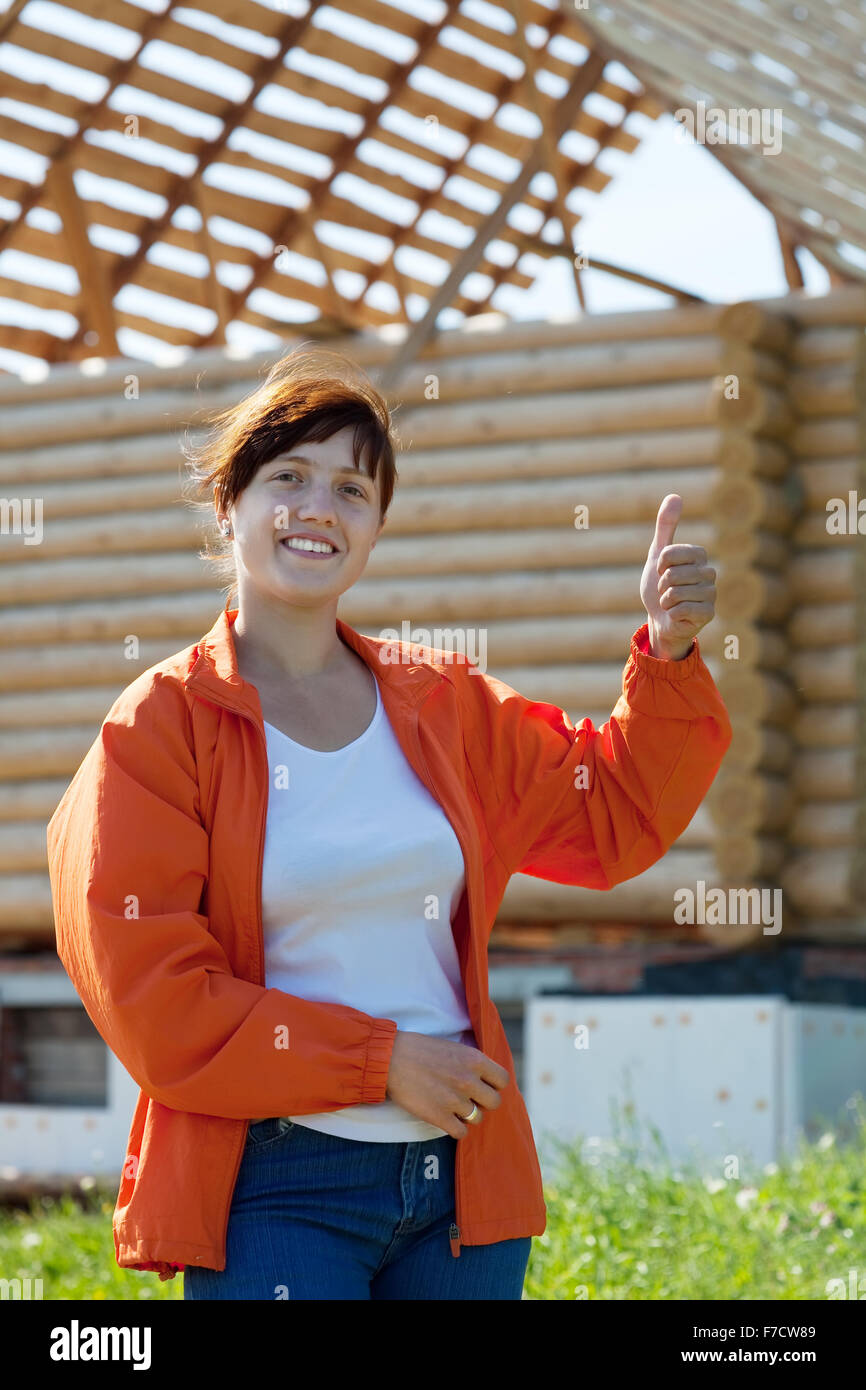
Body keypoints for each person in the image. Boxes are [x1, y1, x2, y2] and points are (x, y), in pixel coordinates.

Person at [46, 346, 732, 1300]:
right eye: (287, 477)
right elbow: (154, 998)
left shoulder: (443, 702)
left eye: (351, 489)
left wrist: (666, 654)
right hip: (273, 1188)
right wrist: (380, 1065)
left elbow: (609, 815)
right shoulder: (159, 726)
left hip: (462, 1187)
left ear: (373, 529)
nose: (318, 508)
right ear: (227, 505)